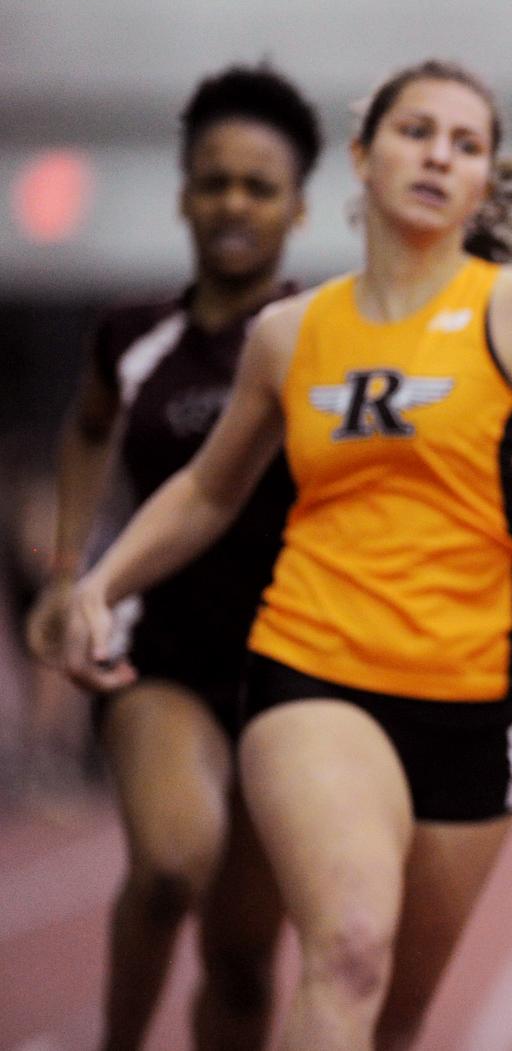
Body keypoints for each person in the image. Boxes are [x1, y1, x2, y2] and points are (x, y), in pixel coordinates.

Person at [53, 59, 512, 1051]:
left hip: (476, 694)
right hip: (314, 665)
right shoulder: (290, 332)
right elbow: (210, 487)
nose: (438, 154)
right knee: (345, 945)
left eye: (465, 144)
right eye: (415, 131)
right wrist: (98, 581)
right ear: (362, 155)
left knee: (395, 1011)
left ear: (481, 182)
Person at [26, 63, 322, 1051]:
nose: (234, 203)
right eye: (215, 180)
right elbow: (85, 429)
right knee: (169, 864)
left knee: (243, 962)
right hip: (160, 656)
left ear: (298, 205)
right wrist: (70, 568)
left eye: (259, 185)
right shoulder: (132, 332)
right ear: (184, 193)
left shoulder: (325, 335)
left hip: (295, 667)